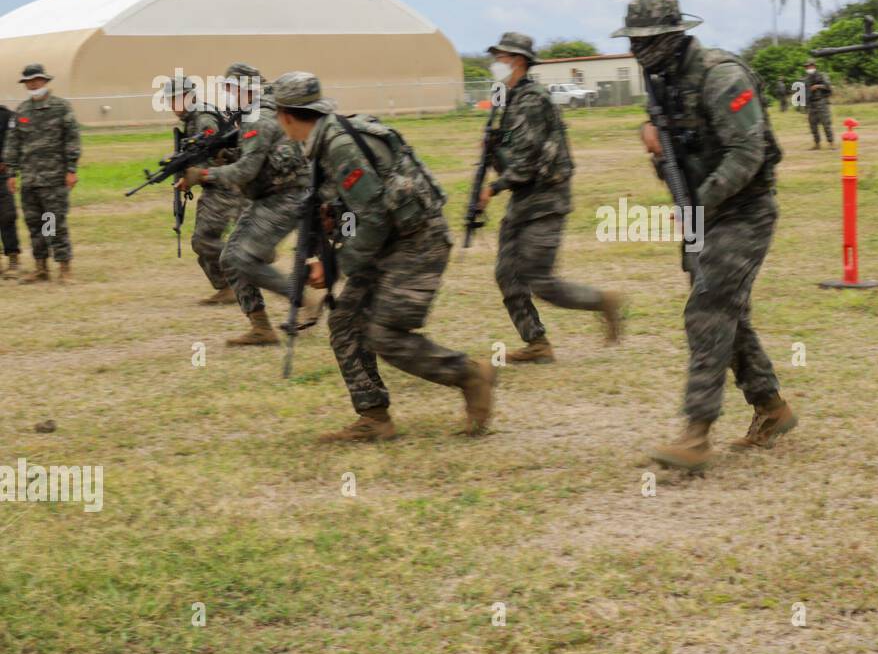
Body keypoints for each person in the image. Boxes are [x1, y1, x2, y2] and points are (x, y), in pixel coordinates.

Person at [612, 0, 795, 471]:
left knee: (708, 309)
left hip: (744, 209)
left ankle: (696, 433)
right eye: (632, 41)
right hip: (703, 213)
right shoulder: (664, 82)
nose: (636, 51)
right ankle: (772, 408)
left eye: (644, 41)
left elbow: (746, 153)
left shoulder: (721, 75)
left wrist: (699, 202)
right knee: (725, 313)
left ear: (671, 37)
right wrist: (654, 146)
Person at [269, 72, 496, 441]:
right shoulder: (322, 140)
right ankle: (374, 417)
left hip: (417, 240)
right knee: (345, 323)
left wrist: (338, 267)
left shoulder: (339, 145)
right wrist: (319, 253)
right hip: (387, 240)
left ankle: (470, 375)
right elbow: (350, 211)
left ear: (286, 115)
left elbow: (372, 217)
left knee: (385, 334)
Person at [477, 32, 624, 364]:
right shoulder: (508, 100)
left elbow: (526, 163)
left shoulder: (532, 101)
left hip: (546, 199)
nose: (494, 64)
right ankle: (537, 344)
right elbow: (512, 158)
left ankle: (603, 302)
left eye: (499, 57)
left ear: (517, 61)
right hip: (524, 199)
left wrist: (493, 188)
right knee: (507, 275)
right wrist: (492, 150)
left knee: (539, 280)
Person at [177, 80, 323, 345]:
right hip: (264, 196)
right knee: (229, 259)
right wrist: (224, 154)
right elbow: (248, 159)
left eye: (233, 89)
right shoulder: (249, 116)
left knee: (241, 259)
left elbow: (245, 170)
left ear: (249, 89)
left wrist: (204, 174)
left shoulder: (259, 119)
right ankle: (261, 328)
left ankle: (300, 295)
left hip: (286, 196)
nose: (229, 95)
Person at [164, 73, 243, 304]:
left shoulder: (204, 119)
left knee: (203, 240)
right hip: (215, 185)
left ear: (190, 96)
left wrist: (192, 175)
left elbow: (212, 155)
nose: (174, 104)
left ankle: (244, 269)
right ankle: (227, 287)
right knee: (202, 242)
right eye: (171, 100)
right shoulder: (192, 119)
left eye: (177, 98)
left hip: (226, 185)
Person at [1, 64, 80, 284]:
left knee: (54, 223)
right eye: (29, 81)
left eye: (36, 80)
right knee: (35, 225)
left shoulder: (61, 108)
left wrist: (71, 169)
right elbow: (13, 143)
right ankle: (41, 267)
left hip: (54, 180)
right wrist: (12, 173)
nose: (33, 84)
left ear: (45, 81)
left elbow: (72, 140)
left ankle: (64, 268)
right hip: (30, 181)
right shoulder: (22, 111)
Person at [0, 105, 20, 278]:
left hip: (2, 176)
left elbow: (15, 141)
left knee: (7, 215)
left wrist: (8, 163)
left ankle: (13, 258)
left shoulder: (7, 116)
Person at [799, 59, 834, 148]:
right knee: (813, 125)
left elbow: (829, 87)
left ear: (814, 66)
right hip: (811, 104)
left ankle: (831, 143)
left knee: (826, 123)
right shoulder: (805, 78)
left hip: (821, 102)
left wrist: (818, 86)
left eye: (809, 66)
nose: (807, 68)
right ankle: (817, 144)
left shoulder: (822, 75)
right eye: (806, 67)